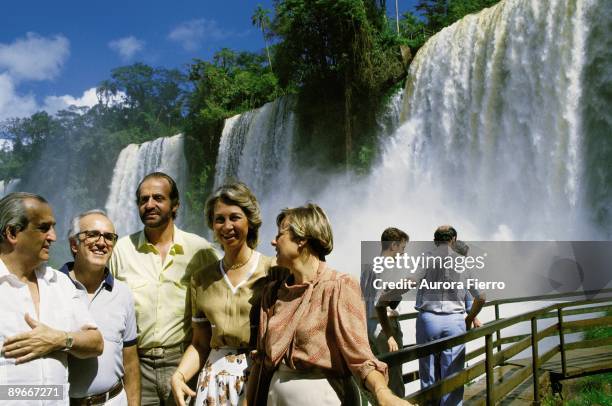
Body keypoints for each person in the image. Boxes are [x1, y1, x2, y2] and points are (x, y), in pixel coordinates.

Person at [248, 203, 411, 406]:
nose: (273, 241)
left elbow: (360, 358)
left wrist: (383, 394)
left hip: (323, 399)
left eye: (280, 234)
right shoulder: (273, 293)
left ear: (301, 240)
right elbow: (262, 361)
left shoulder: (339, 286)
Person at [109, 172, 218, 405]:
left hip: (185, 362)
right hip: (135, 364)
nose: (150, 205)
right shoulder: (120, 250)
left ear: (175, 205)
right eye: (143, 199)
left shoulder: (199, 251)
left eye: (158, 198)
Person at [170, 182, 274, 406]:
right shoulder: (202, 279)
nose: (227, 226)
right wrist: (179, 376)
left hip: (258, 377)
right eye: (220, 219)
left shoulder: (272, 271)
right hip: (213, 383)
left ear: (250, 220)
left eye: (235, 217)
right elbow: (200, 344)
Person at [0, 192, 103, 406]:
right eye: (43, 228)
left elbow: (96, 343)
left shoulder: (60, 283)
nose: (53, 237)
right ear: (12, 232)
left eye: (53, 227)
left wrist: (59, 339)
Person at [61, 210, 140, 405]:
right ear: (74, 244)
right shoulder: (52, 287)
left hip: (114, 400)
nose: (101, 242)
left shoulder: (123, 294)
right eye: (92, 234)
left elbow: (130, 362)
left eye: (109, 237)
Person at [414, 226, 485, 405]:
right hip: (455, 321)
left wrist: (388, 295)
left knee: (428, 372)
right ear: (453, 239)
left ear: (435, 240)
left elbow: (411, 281)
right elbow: (481, 296)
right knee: (452, 375)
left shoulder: (426, 259)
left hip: (428, 319)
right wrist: (469, 318)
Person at [362, 227, 408, 398]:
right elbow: (380, 305)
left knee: (376, 379)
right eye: (402, 248)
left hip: (369, 326)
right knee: (394, 379)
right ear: (394, 246)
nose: (403, 254)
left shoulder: (369, 267)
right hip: (385, 328)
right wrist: (390, 335)